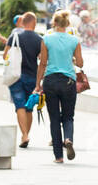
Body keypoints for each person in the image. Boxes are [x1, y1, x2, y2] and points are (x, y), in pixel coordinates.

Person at [35, 10, 83, 163]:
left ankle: (58, 156)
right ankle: (68, 139)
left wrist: (38, 84)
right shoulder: (74, 40)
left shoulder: (46, 39)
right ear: (68, 24)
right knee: (68, 116)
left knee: (54, 118)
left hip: (51, 81)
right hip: (68, 81)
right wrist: (72, 59)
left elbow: (42, 63)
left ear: (54, 23)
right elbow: (81, 64)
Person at [5, 12, 43, 148]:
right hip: (32, 77)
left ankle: (24, 135)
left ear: (23, 22)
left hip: (16, 77)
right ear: (33, 23)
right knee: (28, 108)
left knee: (19, 106)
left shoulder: (14, 36)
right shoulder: (39, 39)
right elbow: (42, 59)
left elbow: (5, 55)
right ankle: (26, 135)